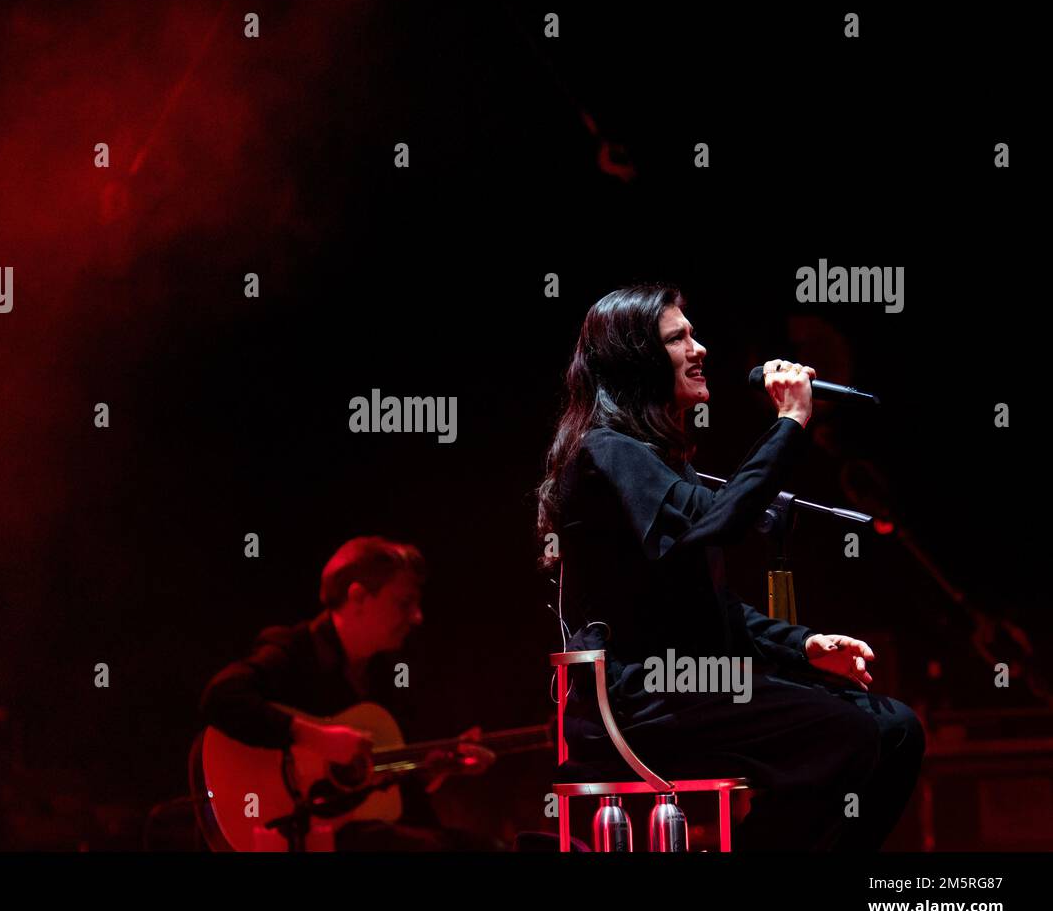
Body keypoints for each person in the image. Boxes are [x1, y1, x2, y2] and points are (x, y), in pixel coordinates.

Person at [536, 284, 924, 850]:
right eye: (679, 338)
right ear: (638, 361)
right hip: (639, 697)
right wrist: (790, 422)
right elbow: (720, 524)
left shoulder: (658, 461)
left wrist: (805, 645)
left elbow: (712, 606)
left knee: (896, 730)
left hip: (692, 683)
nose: (700, 349)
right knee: (843, 734)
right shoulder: (607, 452)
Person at [199, 536, 497, 850]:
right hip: (299, 834)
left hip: (355, 830)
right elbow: (221, 697)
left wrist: (429, 770)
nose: (417, 616)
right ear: (358, 598)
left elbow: (369, 787)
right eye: (403, 603)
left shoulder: (383, 676)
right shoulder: (294, 651)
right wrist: (317, 737)